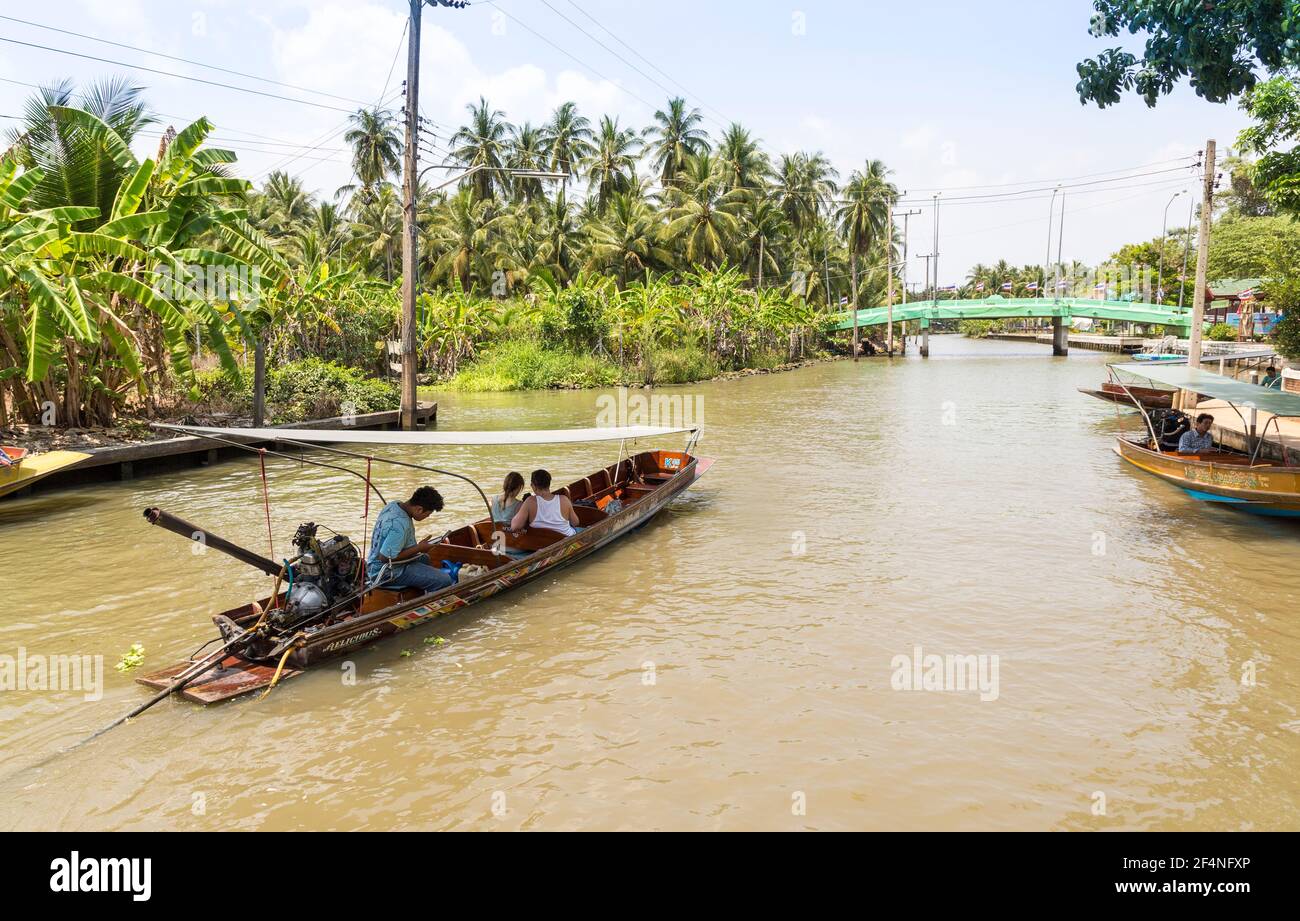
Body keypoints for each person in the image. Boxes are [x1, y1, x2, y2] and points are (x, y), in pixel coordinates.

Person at [366, 485, 452, 593]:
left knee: (425, 558)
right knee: (444, 580)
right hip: (386, 572)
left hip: (375, 564)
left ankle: (418, 590)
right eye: (428, 514)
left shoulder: (394, 505)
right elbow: (385, 558)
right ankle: (427, 602)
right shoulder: (399, 524)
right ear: (419, 509)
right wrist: (419, 548)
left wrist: (419, 548)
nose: (428, 517)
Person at [510, 469, 581, 537]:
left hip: (541, 542)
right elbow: (575, 522)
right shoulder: (564, 499)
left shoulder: (530, 501)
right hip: (564, 539)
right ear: (549, 484)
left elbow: (514, 527)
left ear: (534, 486)